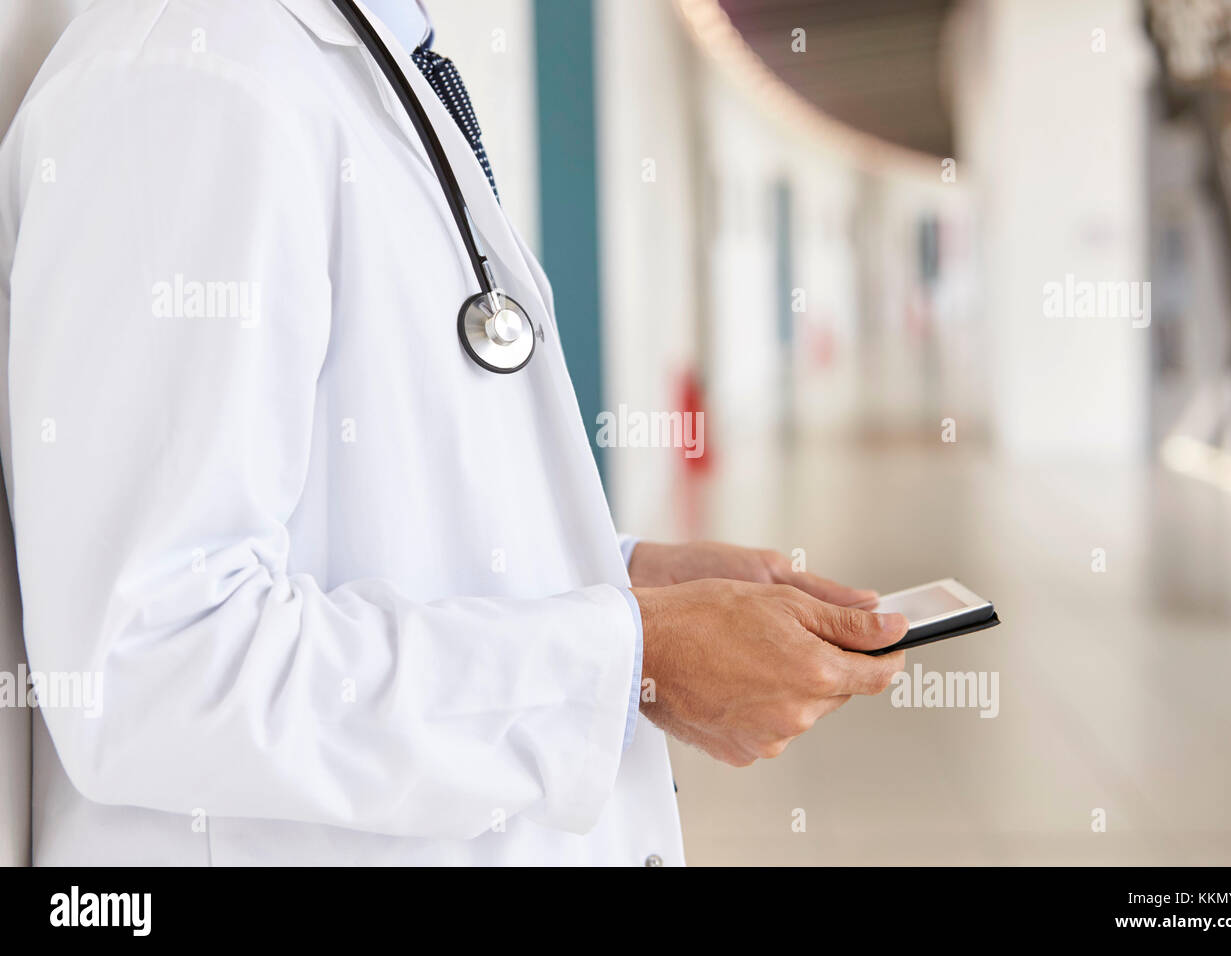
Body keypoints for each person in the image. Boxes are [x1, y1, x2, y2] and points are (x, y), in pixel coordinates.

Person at [0, 0, 906, 866]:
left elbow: (363, 510)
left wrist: (618, 574)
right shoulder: (187, 79)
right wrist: (634, 655)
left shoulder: (368, 67)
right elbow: (153, 669)